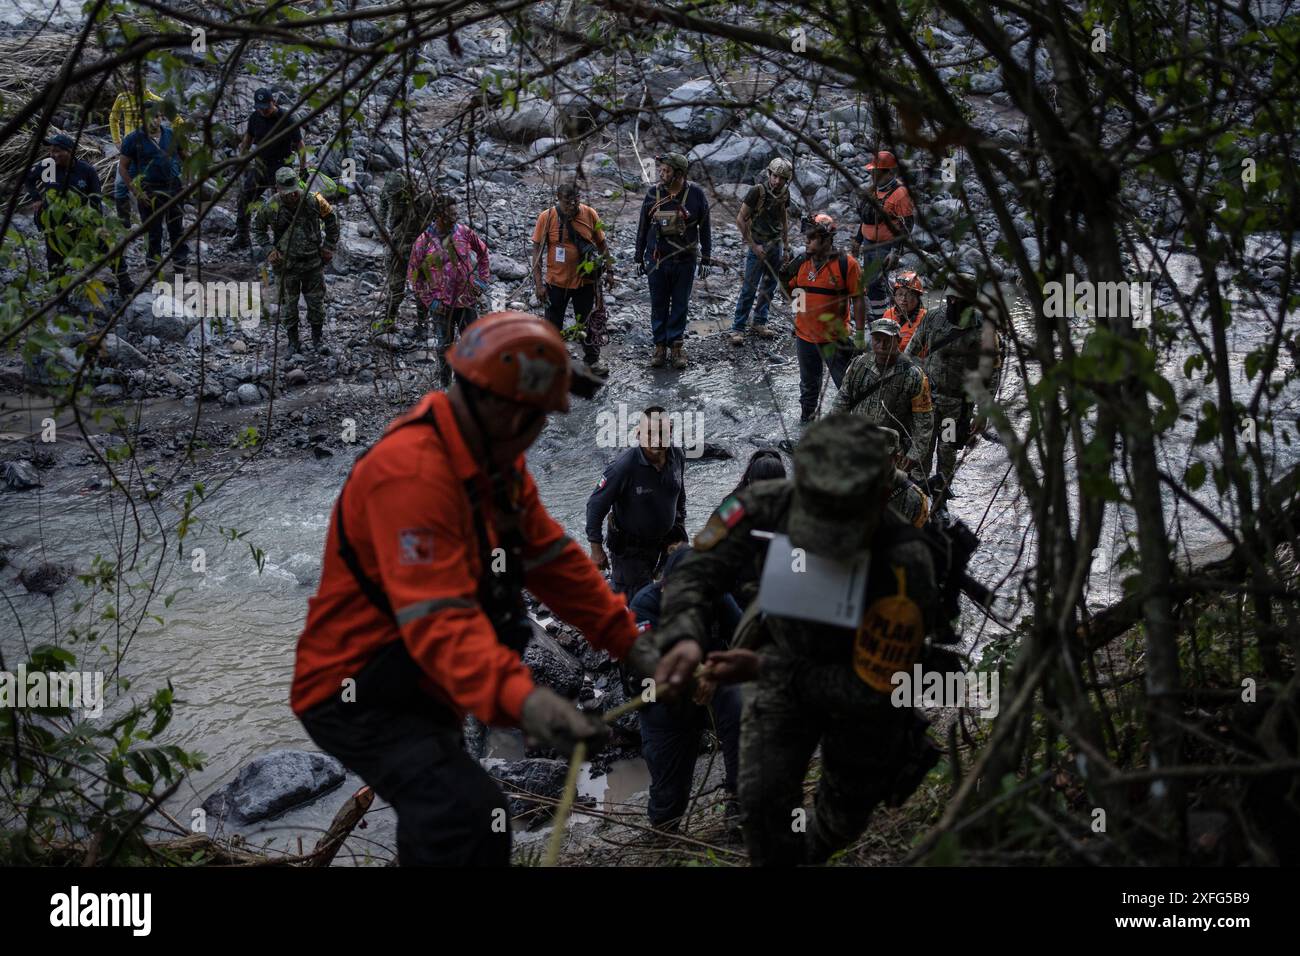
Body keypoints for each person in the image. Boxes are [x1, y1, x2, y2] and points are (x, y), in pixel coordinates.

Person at [292, 312, 694, 866]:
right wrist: (525, 702)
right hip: (358, 685)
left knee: (438, 819)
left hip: (420, 677)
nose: (541, 432)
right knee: (469, 817)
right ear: (506, 409)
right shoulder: (411, 475)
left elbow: (554, 562)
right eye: (538, 419)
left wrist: (630, 643)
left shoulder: (493, 468)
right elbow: (439, 624)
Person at [653, 415, 940, 866]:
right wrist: (685, 637)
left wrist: (763, 668)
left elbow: (869, 688)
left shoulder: (907, 566)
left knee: (844, 814)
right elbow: (696, 567)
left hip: (856, 687)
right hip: (784, 658)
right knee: (761, 799)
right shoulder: (764, 503)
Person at [629, 546, 742, 833]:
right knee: (669, 800)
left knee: (742, 704)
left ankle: (739, 804)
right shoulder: (645, 606)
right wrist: (693, 677)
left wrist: (715, 672)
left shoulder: (717, 597)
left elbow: (747, 639)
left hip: (713, 694)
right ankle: (665, 828)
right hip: (662, 701)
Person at [903, 273, 1002, 496]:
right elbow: (910, 353)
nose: (953, 303)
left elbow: (992, 374)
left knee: (947, 455)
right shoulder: (933, 319)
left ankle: (940, 500)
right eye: (951, 299)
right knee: (920, 454)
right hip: (926, 402)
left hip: (956, 407)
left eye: (959, 300)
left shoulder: (983, 329)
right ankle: (916, 501)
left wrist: (982, 412)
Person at [586, 406, 687, 600]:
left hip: (667, 539)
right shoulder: (623, 467)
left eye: (662, 433)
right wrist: (596, 549)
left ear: (671, 430)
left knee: (676, 590)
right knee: (635, 600)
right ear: (638, 433)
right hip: (632, 549)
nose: (656, 440)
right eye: (649, 434)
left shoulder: (677, 456)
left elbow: (679, 493)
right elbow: (595, 505)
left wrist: (680, 523)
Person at [780, 213, 864, 423]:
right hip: (805, 337)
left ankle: (856, 428)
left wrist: (861, 334)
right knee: (808, 386)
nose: (805, 240)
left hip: (835, 338)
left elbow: (859, 299)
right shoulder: (800, 262)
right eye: (805, 236)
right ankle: (807, 423)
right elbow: (793, 292)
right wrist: (797, 312)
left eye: (812, 237)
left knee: (847, 385)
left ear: (827, 239)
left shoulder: (847, 264)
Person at [23, 133, 130, 292]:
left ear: (70, 151)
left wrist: (96, 225)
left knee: (108, 246)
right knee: (54, 258)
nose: (53, 155)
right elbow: (29, 180)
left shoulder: (85, 171)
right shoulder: (48, 166)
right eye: (51, 151)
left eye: (58, 151)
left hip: (81, 219)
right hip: (54, 222)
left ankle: (125, 282)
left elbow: (95, 200)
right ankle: (59, 295)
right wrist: (36, 198)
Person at [831, 317, 934, 483]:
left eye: (888, 340)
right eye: (878, 340)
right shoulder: (859, 365)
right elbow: (842, 401)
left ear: (898, 341)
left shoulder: (913, 375)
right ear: (872, 340)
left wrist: (913, 456)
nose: (882, 345)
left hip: (894, 451)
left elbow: (924, 422)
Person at [635, 153, 711, 370]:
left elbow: (705, 228)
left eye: (667, 170)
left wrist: (706, 259)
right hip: (657, 260)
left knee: (680, 303)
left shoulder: (696, 195)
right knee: (658, 304)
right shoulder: (653, 194)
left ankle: (676, 345)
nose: (661, 173)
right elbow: (642, 226)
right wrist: (638, 257)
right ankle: (659, 346)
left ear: (679, 174)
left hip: (685, 261)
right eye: (661, 169)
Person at [530, 181, 615, 374]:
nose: (573, 205)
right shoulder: (547, 217)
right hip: (556, 282)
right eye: (568, 202)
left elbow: (602, 244)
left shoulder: (590, 214)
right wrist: (538, 284)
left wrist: (609, 270)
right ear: (558, 199)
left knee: (587, 322)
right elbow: (537, 250)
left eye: (576, 200)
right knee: (553, 324)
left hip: (585, 282)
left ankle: (592, 361)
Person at [408, 193, 490, 387]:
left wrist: (481, 282)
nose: (455, 216)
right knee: (444, 346)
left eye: (456, 213)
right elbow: (414, 275)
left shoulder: (464, 232)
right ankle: (446, 384)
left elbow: (483, 254)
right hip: (441, 306)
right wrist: (430, 301)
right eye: (451, 214)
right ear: (438, 215)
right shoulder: (423, 242)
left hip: (466, 301)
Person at [254, 166, 339, 352]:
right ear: (278, 188)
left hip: (313, 263)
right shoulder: (270, 206)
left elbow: (332, 219)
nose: (292, 196)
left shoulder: (314, 199)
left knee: (316, 303)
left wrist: (329, 246)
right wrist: (269, 250)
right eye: (287, 193)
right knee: (288, 307)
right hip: (286, 266)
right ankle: (293, 342)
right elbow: (257, 229)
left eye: (294, 192)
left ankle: (317, 340)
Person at [118, 104, 190, 271]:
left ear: (161, 117)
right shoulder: (132, 139)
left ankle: (180, 266)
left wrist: (187, 183)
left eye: (157, 116)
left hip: (173, 187)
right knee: (153, 232)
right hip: (148, 190)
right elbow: (123, 167)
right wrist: (136, 192)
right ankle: (154, 269)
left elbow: (186, 158)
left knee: (176, 229)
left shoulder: (171, 135)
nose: (154, 120)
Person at [233, 88, 307, 250]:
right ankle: (242, 236)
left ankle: (283, 241)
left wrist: (303, 168)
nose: (263, 111)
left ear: (273, 102)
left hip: (281, 166)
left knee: (284, 204)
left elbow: (300, 145)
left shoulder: (286, 119)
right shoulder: (255, 118)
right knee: (245, 197)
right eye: (259, 107)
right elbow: (248, 140)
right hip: (260, 165)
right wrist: (242, 160)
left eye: (266, 107)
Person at [730, 158, 792, 346]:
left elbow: (783, 217)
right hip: (757, 243)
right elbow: (741, 219)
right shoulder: (756, 192)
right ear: (769, 174)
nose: (777, 181)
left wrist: (786, 243)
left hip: (775, 244)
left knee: (769, 286)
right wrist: (753, 246)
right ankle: (738, 327)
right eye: (774, 176)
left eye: (781, 178)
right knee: (749, 287)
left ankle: (759, 322)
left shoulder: (784, 193)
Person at [850, 150, 915, 321]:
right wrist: (857, 240)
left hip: (885, 245)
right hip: (868, 242)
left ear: (889, 173)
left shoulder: (901, 194)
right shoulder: (874, 190)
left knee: (874, 282)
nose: (873, 175)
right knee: (875, 282)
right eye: (872, 172)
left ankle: (882, 319)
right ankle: (887, 313)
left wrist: (895, 251)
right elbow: (866, 218)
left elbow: (907, 225)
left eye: (877, 172)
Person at [378, 170, 438, 339]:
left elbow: (444, 220)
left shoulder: (425, 200)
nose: (394, 199)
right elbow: (382, 208)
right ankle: (388, 323)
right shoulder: (390, 191)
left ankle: (422, 326)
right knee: (395, 288)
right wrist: (382, 230)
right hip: (397, 249)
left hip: (421, 251)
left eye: (397, 196)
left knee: (421, 289)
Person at [108, 81, 162, 228]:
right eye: (129, 81)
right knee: (120, 184)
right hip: (128, 148)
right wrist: (117, 141)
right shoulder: (122, 98)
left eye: (135, 81)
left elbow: (170, 116)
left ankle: (153, 217)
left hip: (148, 148)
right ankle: (124, 219)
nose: (132, 85)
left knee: (151, 182)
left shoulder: (153, 99)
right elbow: (113, 119)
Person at [884, 270, 926, 350]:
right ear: (894, 296)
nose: (903, 299)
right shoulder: (888, 314)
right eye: (900, 294)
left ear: (917, 299)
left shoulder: (924, 318)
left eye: (909, 295)